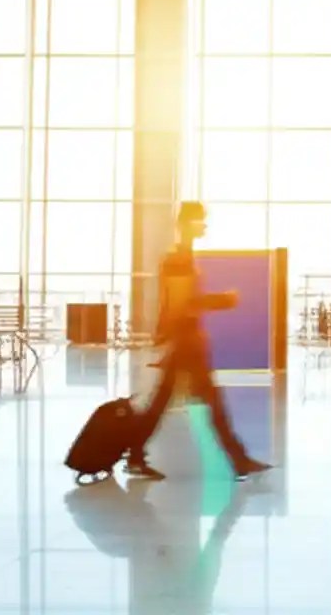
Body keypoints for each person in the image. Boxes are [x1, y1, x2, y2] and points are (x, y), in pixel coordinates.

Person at [125, 201, 272, 480]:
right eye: (199, 221)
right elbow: (181, 303)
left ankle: (135, 454)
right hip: (186, 340)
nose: (203, 226)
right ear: (186, 224)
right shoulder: (179, 259)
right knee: (211, 401)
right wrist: (222, 300)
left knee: (164, 401)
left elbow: (173, 303)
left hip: (185, 338)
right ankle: (237, 459)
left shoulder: (183, 257)